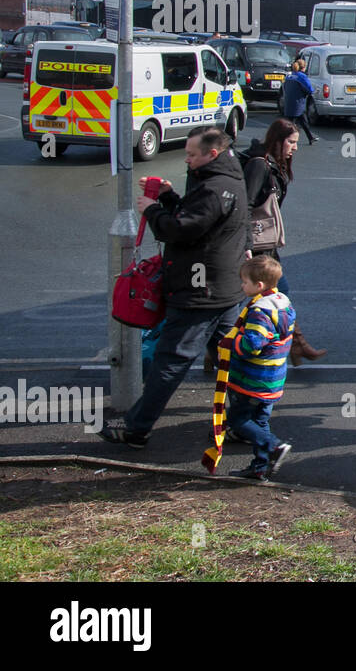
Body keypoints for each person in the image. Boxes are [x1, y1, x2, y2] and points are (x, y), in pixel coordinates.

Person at [99, 127, 249, 448]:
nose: (187, 160)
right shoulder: (229, 178)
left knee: (171, 360)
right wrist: (168, 196)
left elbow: (183, 229)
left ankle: (136, 428)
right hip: (224, 289)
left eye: (192, 155)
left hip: (200, 292)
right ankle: (245, 423)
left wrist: (152, 210)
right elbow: (200, 216)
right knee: (230, 361)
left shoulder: (213, 188)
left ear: (212, 153)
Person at [242, 118, 326, 367]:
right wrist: (246, 244)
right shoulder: (259, 166)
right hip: (257, 247)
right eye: (291, 142)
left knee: (267, 298)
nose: (295, 148)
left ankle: (296, 346)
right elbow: (245, 205)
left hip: (266, 246)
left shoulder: (274, 165)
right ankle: (295, 346)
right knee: (277, 296)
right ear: (277, 141)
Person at [210, 255, 295, 481]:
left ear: (258, 285)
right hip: (272, 379)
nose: (241, 285)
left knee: (239, 421)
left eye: (244, 282)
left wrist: (230, 344)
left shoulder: (260, 311)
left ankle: (274, 446)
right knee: (259, 421)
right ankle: (260, 466)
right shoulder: (283, 303)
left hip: (253, 379)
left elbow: (252, 345)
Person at [281, 58, 316, 145]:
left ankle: (311, 138)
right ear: (303, 67)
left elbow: (284, 88)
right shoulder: (302, 76)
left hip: (289, 102)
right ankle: (283, 141)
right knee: (291, 124)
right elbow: (310, 89)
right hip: (298, 103)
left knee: (303, 121)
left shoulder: (289, 76)